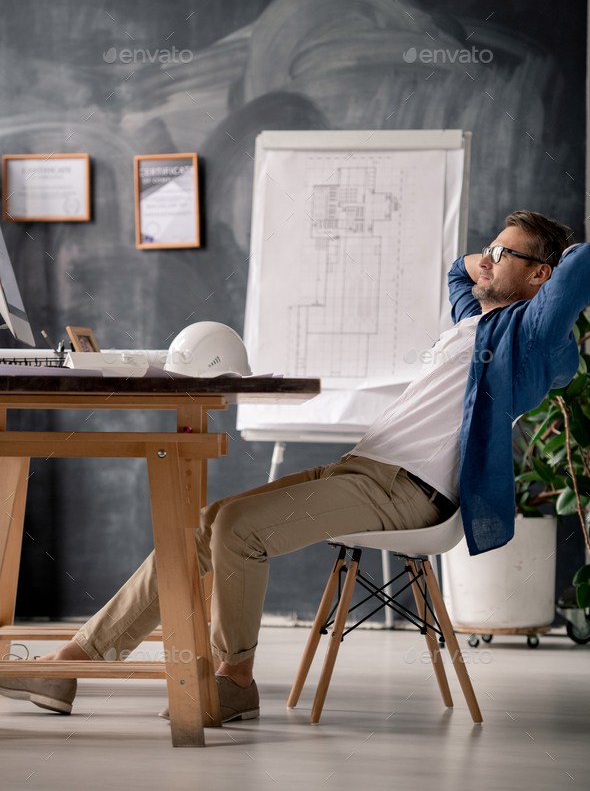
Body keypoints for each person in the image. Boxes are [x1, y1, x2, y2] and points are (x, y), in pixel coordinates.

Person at [2, 210, 589, 722]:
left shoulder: (528, 338)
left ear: (541, 275)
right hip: (364, 470)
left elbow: (579, 266)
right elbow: (459, 277)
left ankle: (235, 680)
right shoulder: (476, 322)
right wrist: (482, 260)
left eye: (502, 254)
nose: (487, 260)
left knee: (239, 530)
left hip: (409, 490)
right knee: (206, 524)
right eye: (489, 248)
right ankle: (70, 663)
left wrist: (535, 257)